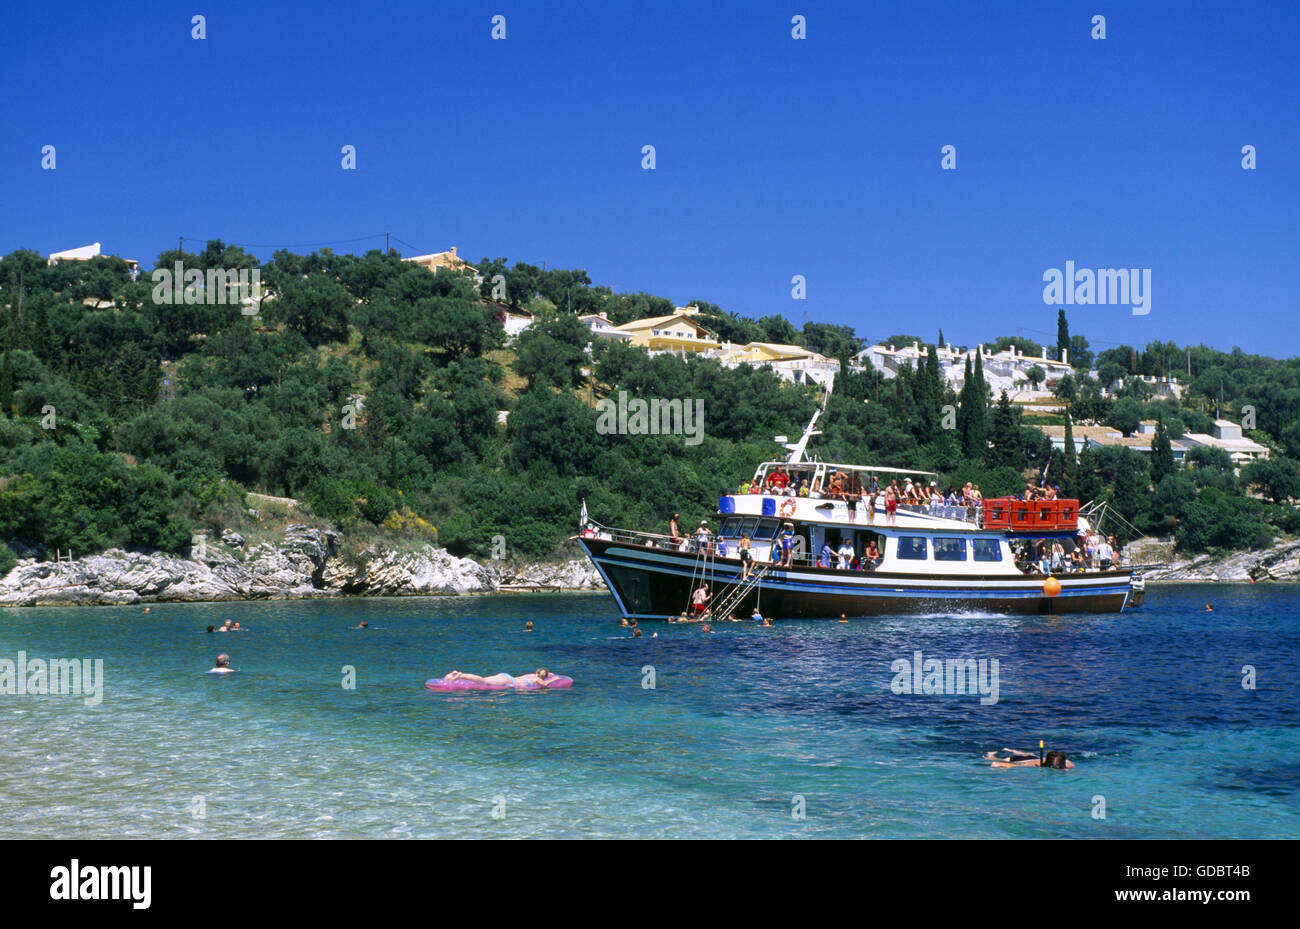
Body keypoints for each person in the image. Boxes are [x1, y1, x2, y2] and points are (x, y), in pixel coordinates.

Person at [984, 747, 1074, 769]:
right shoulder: (1035, 765)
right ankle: (990, 754)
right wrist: (999, 764)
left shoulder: (1068, 764)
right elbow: (1018, 765)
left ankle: (1012, 750)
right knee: (997, 759)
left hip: (1034, 757)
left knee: (1028, 754)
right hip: (1022, 759)